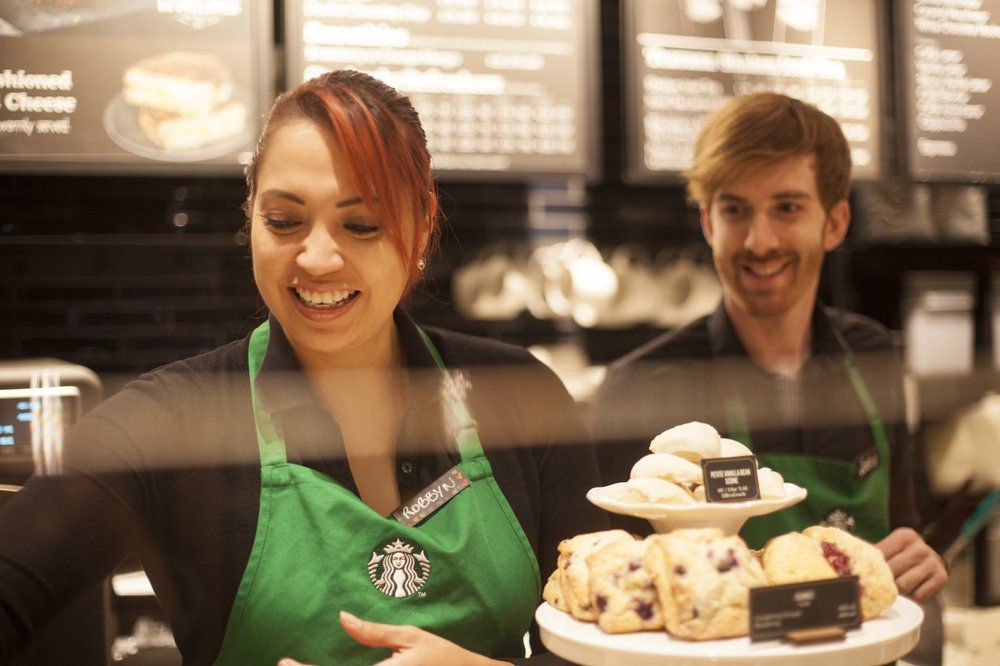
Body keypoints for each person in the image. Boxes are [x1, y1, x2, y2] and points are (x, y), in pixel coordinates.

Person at [0, 70, 607, 665]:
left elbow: (605, 640)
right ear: (251, 217)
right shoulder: (167, 421)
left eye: (361, 224)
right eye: (284, 221)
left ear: (422, 227)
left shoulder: (520, 396)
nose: (317, 258)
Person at [591, 93, 947, 602]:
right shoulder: (638, 385)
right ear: (709, 223)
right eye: (736, 210)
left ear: (835, 223)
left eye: (787, 208)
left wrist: (917, 555)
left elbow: (901, 530)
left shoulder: (871, 355)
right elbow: (617, 581)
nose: (759, 241)